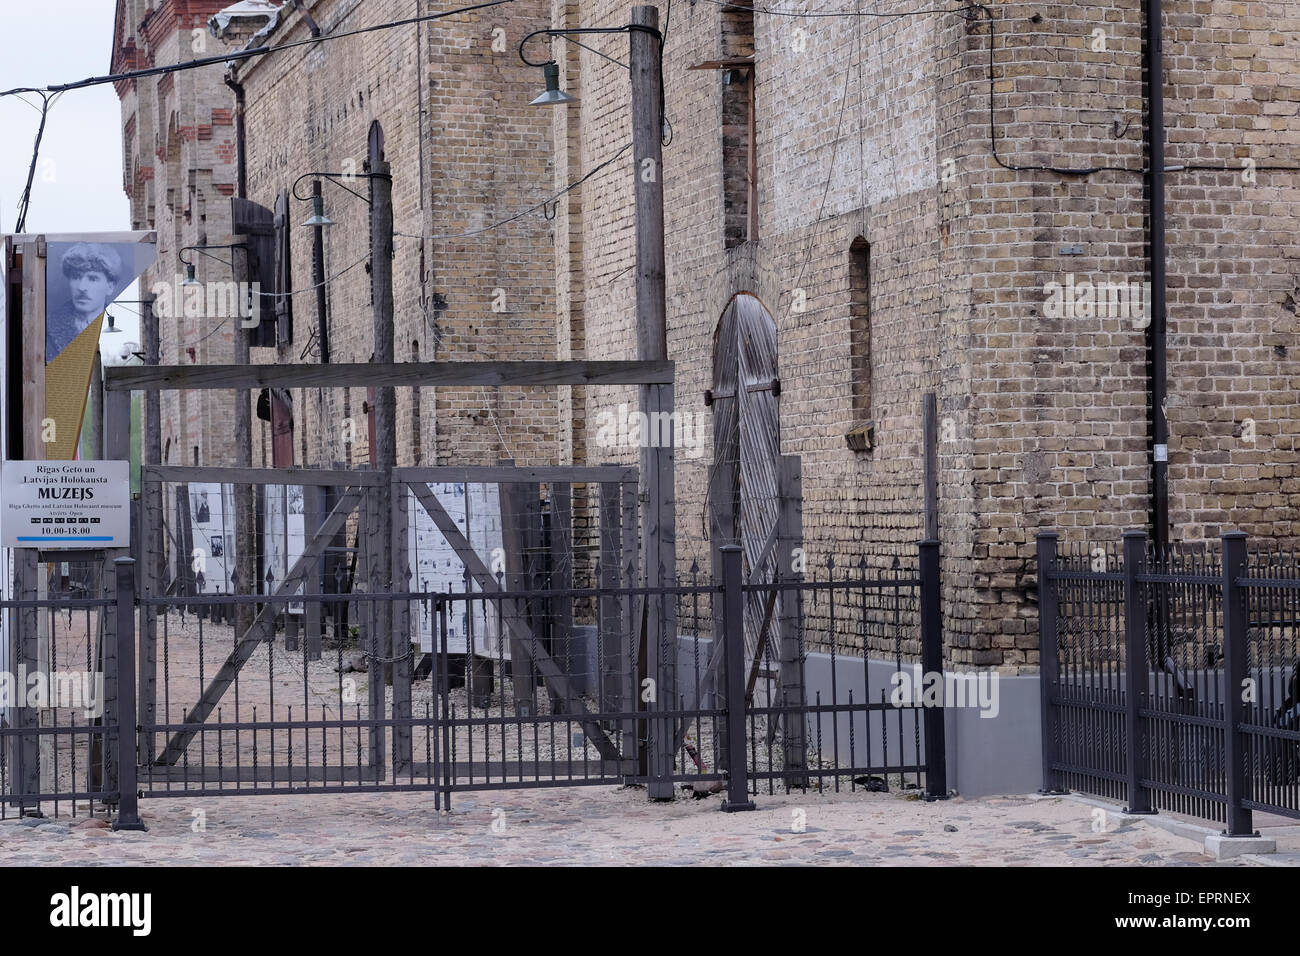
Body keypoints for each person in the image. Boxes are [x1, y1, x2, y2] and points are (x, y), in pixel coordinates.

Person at [46, 243, 122, 360]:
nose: (82, 287)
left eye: (92, 278)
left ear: (110, 287)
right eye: (76, 277)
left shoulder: (120, 325)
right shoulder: (47, 327)